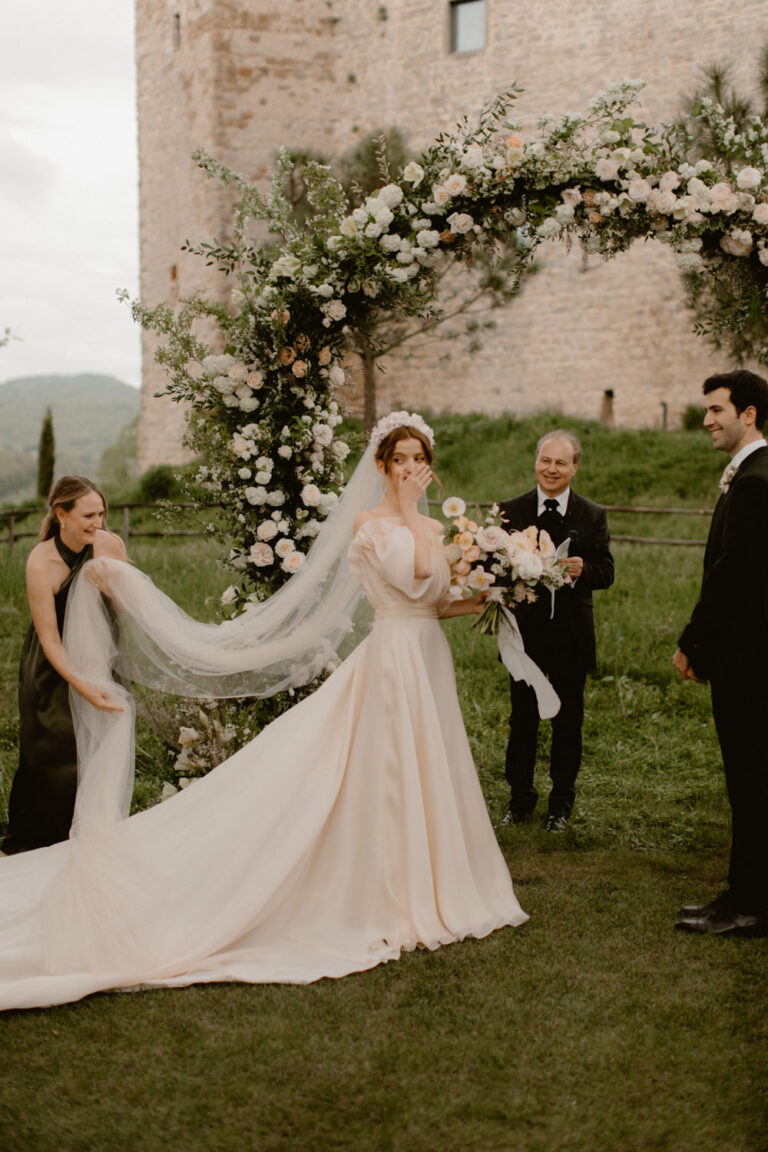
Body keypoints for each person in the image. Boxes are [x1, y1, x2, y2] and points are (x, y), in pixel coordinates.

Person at [0, 413, 527, 1011]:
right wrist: (409, 510)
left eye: (419, 460)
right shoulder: (374, 524)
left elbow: (432, 601)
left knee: (430, 762)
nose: (412, 469)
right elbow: (415, 579)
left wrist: (488, 595)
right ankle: (387, 883)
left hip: (426, 655)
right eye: (401, 460)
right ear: (383, 466)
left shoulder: (433, 526)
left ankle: (435, 876)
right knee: (387, 767)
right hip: (392, 660)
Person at [674, 370, 768, 938]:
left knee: (751, 780)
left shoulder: (756, 481)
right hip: (745, 654)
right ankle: (741, 891)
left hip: (749, 660)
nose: (707, 420)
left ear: (748, 414)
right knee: (746, 780)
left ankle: (752, 905)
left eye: (716, 410)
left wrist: (693, 641)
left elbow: (733, 576)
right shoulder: (751, 474)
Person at [0, 477, 126, 858]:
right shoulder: (41, 561)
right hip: (51, 665)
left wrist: (111, 588)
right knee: (49, 752)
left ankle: (87, 833)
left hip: (99, 658)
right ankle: (36, 843)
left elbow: (130, 608)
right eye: (88, 515)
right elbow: (50, 640)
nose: (97, 523)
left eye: (101, 513)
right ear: (61, 515)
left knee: (96, 749)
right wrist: (80, 685)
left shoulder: (110, 545)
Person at [498, 431, 614, 831]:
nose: (551, 469)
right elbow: (493, 568)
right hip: (524, 637)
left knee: (568, 722)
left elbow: (607, 572)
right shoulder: (511, 511)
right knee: (522, 719)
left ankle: (560, 805)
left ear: (574, 468)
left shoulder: (592, 514)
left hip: (570, 636)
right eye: (545, 460)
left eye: (561, 462)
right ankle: (519, 800)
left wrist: (584, 571)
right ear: (536, 462)